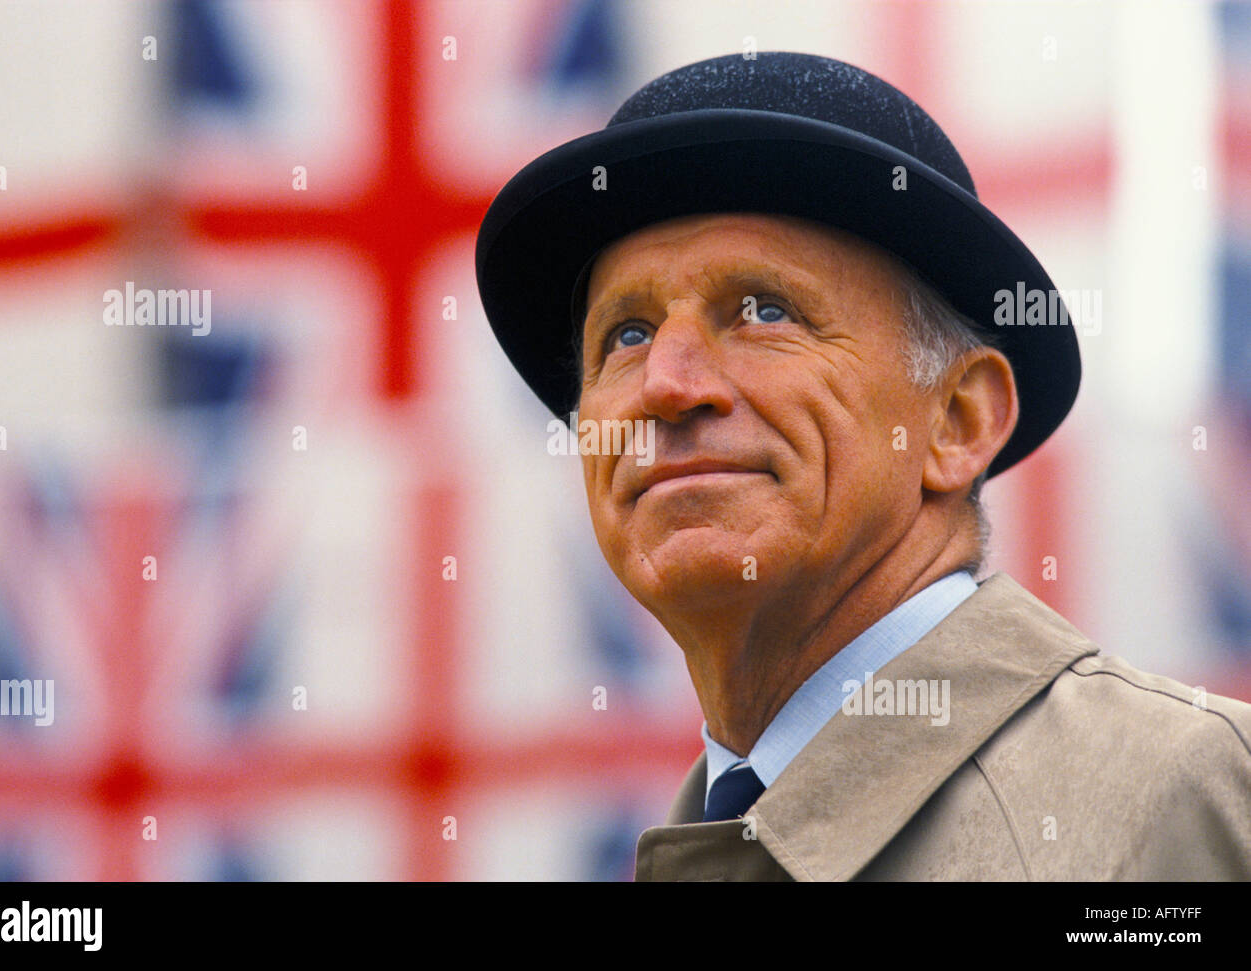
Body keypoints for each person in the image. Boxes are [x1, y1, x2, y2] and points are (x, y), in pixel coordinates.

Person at [475, 51, 1251, 880]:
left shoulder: (1178, 798)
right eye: (625, 334)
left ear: (958, 420)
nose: (667, 383)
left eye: (764, 310)